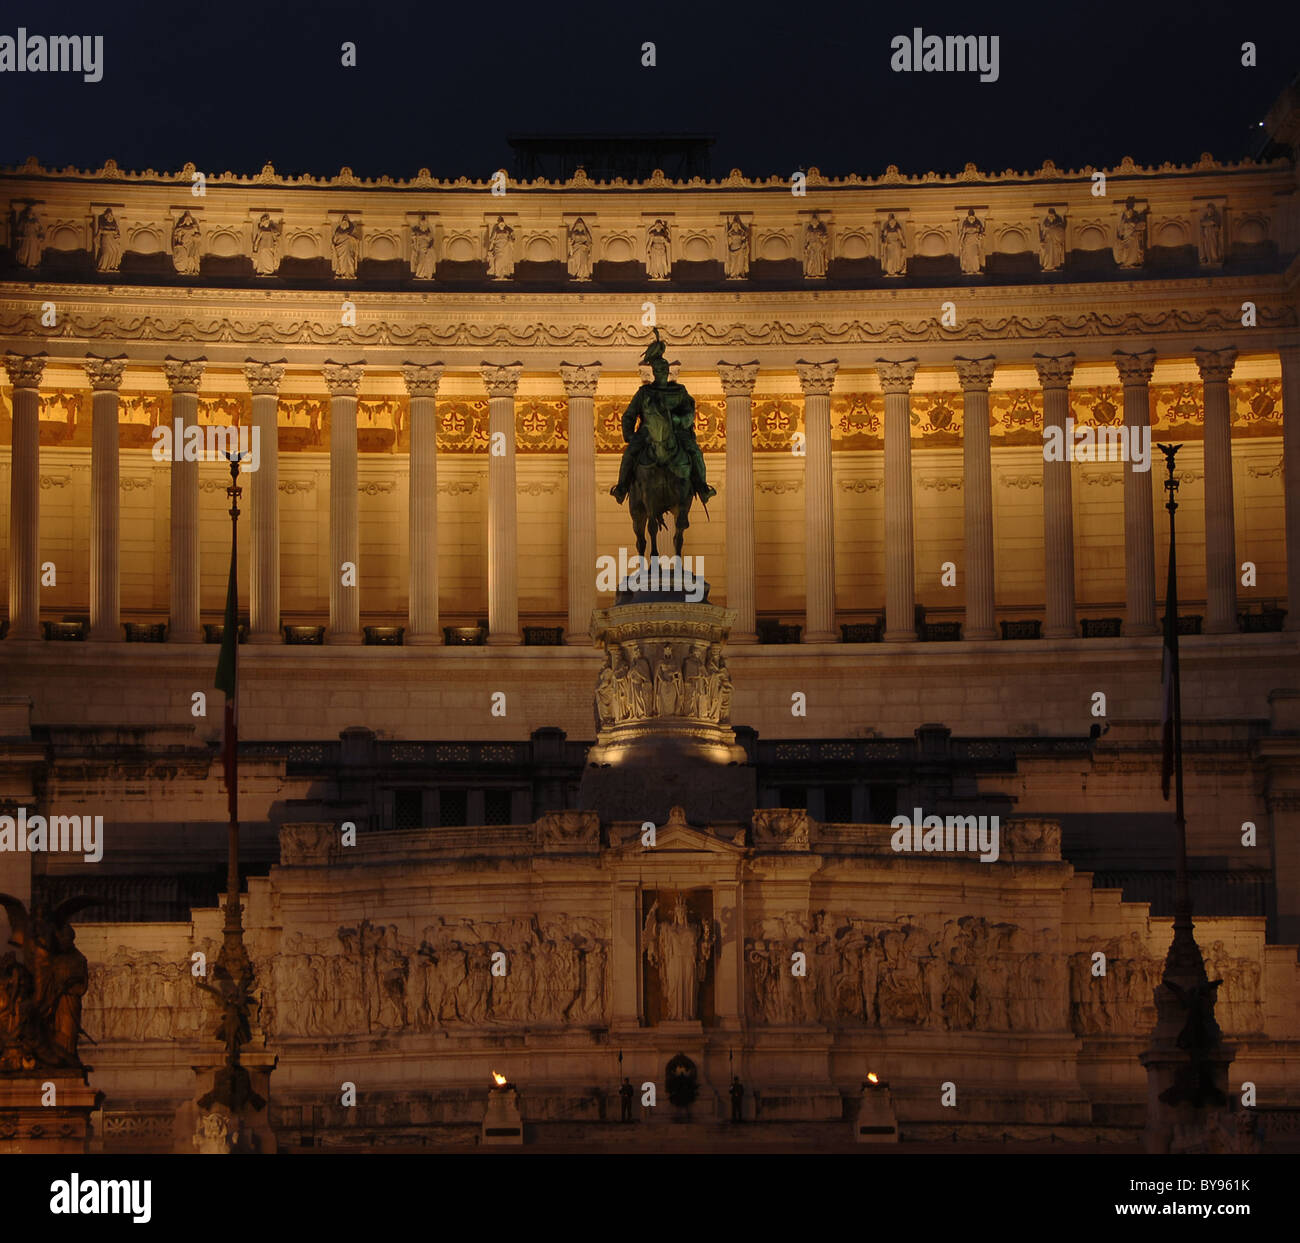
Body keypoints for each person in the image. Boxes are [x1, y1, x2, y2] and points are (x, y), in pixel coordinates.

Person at [609, 328, 714, 507]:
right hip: (648, 433)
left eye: (665, 369)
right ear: (654, 372)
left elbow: (689, 413)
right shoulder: (645, 393)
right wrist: (630, 435)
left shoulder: (679, 392)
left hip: (677, 432)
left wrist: (680, 421)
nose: (663, 372)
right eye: (659, 369)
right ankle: (622, 487)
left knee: (695, 452)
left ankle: (702, 487)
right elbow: (629, 415)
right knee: (629, 453)